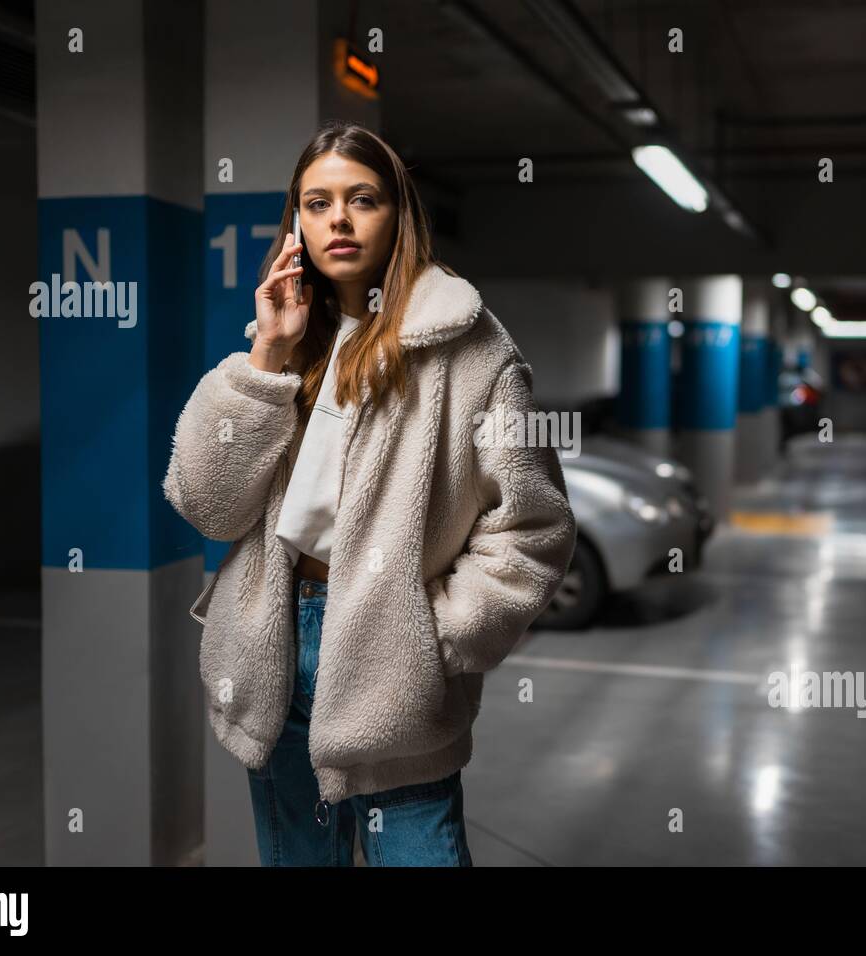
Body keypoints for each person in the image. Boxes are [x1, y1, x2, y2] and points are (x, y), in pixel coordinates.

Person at [162, 120, 577, 866]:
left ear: (399, 213)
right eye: (317, 203)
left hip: (393, 659)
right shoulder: (286, 341)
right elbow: (208, 503)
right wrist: (266, 356)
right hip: (274, 647)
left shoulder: (473, 349)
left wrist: (434, 638)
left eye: (363, 199)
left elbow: (533, 527)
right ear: (297, 223)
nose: (340, 221)